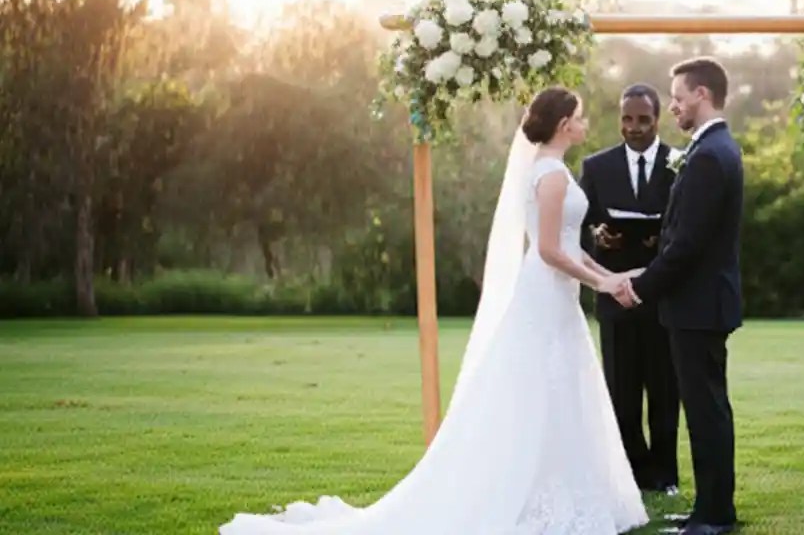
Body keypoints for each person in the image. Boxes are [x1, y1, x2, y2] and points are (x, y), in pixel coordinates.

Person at [219, 87, 649, 534]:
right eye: (578, 117)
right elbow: (547, 251)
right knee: (545, 389)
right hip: (545, 295)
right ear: (563, 124)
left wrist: (611, 276)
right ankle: (535, 497)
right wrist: (602, 282)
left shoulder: (548, 169)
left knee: (559, 392)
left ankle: (559, 491)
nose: (584, 123)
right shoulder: (553, 175)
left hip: (556, 298)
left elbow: (570, 247)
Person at [616, 58, 743, 535]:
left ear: (702, 95)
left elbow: (687, 245)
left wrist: (640, 288)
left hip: (698, 306)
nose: (672, 105)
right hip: (699, 305)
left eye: (677, 96)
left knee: (707, 412)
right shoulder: (713, 149)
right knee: (707, 409)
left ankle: (714, 517)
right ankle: (710, 509)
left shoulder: (710, 155)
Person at [579, 84, 680, 496]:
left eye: (642, 119)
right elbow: (577, 226)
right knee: (622, 393)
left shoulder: (681, 164)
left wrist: (665, 240)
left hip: (662, 298)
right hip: (614, 296)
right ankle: (633, 475)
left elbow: (691, 227)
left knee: (664, 391)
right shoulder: (597, 166)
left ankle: (666, 474)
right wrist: (598, 237)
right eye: (627, 118)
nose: (633, 127)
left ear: (658, 119)